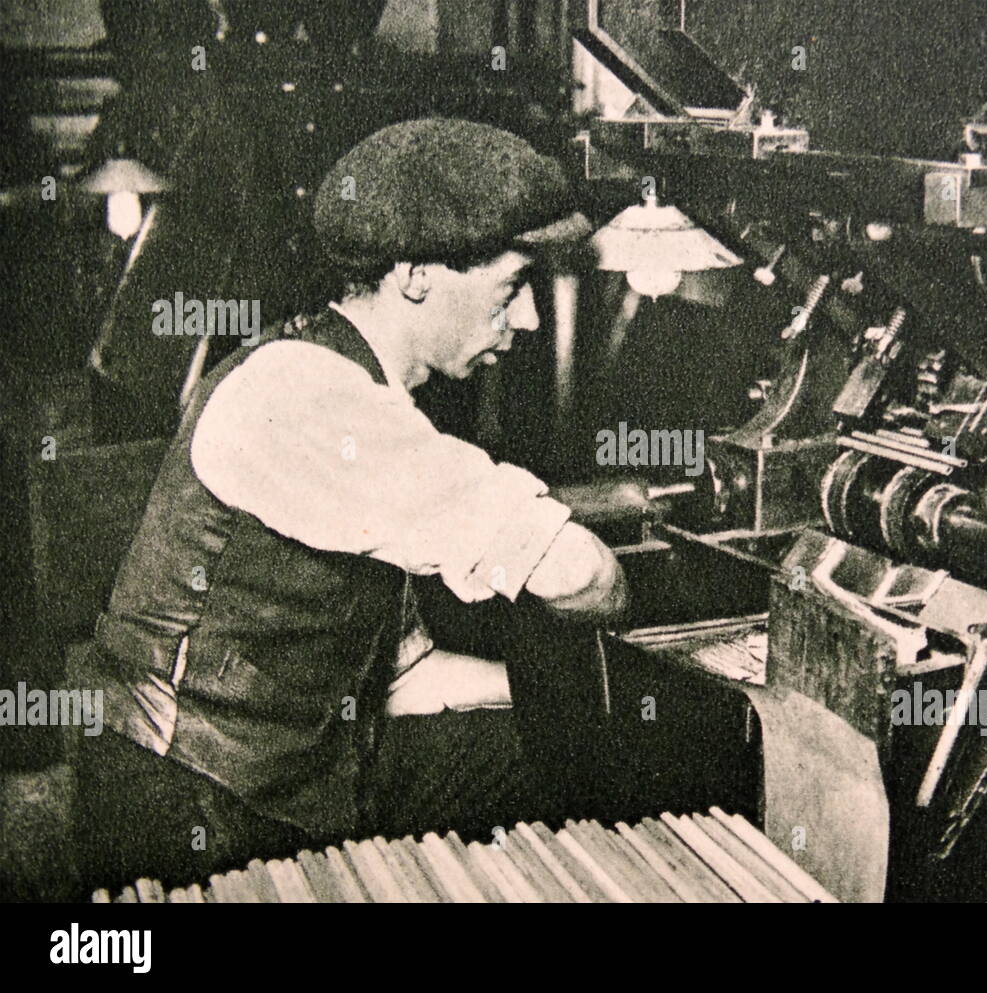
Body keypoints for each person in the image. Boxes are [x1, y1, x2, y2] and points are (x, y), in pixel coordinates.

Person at [71, 116, 627, 892]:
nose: (529, 318)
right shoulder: (309, 397)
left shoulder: (371, 395)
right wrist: (620, 630)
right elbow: (581, 574)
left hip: (315, 763)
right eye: (512, 285)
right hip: (191, 795)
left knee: (578, 750)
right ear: (416, 276)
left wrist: (609, 700)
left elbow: (408, 675)